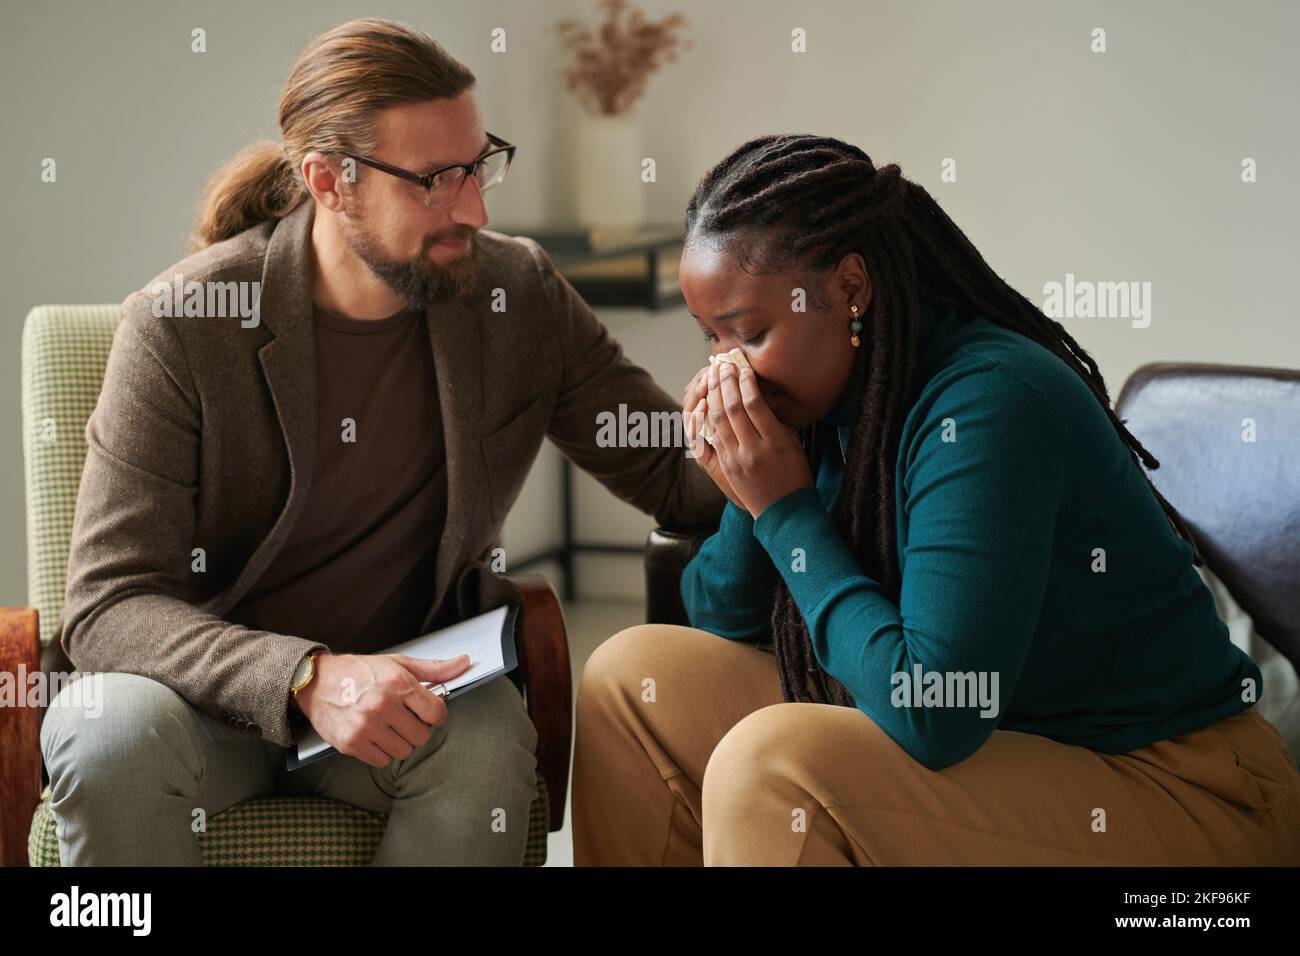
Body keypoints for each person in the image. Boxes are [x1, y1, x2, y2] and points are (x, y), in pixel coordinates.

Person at [40, 18, 724, 866]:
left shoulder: (517, 296)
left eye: (478, 166)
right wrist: (308, 678)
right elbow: (107, 606)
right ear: (330, 181)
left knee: (485, 742)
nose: (473, 208)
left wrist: (762, 386)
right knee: (106, 736)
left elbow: (670, 469)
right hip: (198, 711)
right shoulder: (181, 325)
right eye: (435, 180)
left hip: (409, 701)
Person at [572, 133, 1300, 866]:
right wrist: (750, 492)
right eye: (711, 339)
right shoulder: (821, 398)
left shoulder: (989, 404)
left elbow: (939, 709)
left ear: (851, 287)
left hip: (1175, 787)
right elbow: (719, 615)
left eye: (750, 333)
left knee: (773, 765)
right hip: (1008, 748)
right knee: (632, 681)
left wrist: (786, 509)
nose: (727, 367)